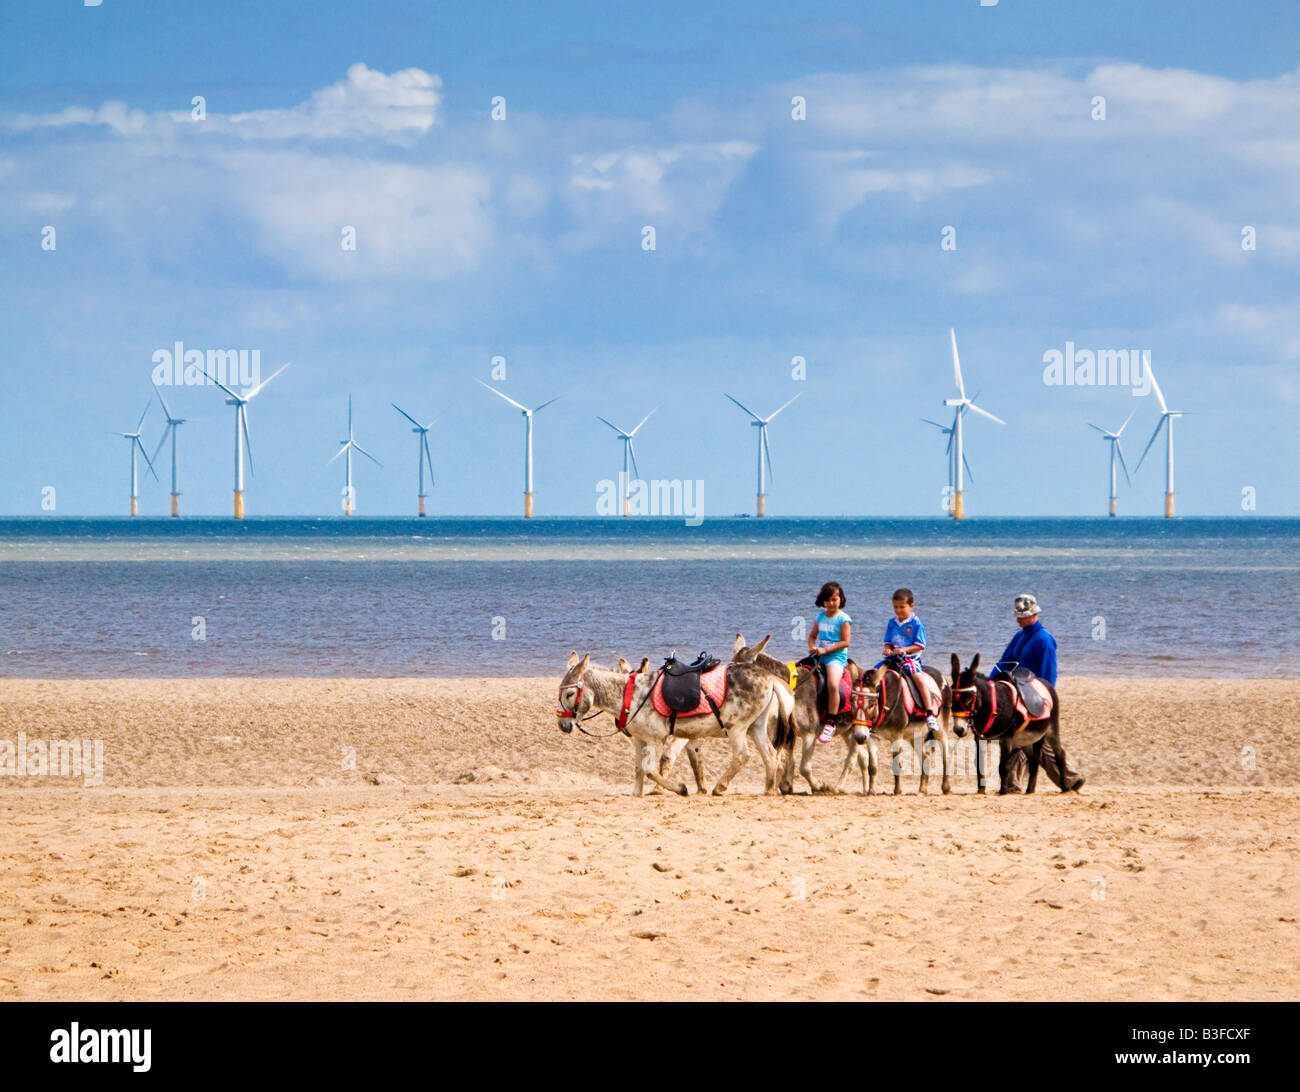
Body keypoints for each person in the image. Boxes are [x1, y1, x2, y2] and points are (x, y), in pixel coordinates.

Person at [989, 593, 1084, 792]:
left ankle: (1014, 783)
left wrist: (1043, 701)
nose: (1018, 619)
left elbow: (1049, 674)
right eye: (1017, 616)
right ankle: (1068, 779)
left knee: (1029, 742)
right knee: (1031, 744)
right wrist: (991, 683)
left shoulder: (1044, 640)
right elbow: (1004, 662)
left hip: (1034, 697)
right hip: (1017, 692)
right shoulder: (1020, 636)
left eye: (1023, 616)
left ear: (1034, 615)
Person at [878, 588, 939, 734]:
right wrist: (887, 649)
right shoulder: (892, 623)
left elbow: (920, 645)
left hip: (910, 659)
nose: (898, 610)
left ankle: (929, 713)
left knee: (918, 678)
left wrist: (904, 649)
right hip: (893, 658)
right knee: (874, 674)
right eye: (895, 607)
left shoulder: (916, 623)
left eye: (902, 607)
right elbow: (888, 641)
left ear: (911, 605)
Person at [808, 582, 851, 743]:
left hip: (836, 657)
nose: (831, 603)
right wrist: (812, 647)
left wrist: (826, 650)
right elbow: (812, 636)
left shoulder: (844, 619)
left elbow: (846, 642)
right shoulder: (820, 617)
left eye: (834, 599)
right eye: (828, 600)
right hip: (820, 655)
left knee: (833, 685)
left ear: (840, 599)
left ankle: (831, 721)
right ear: (823, 601)